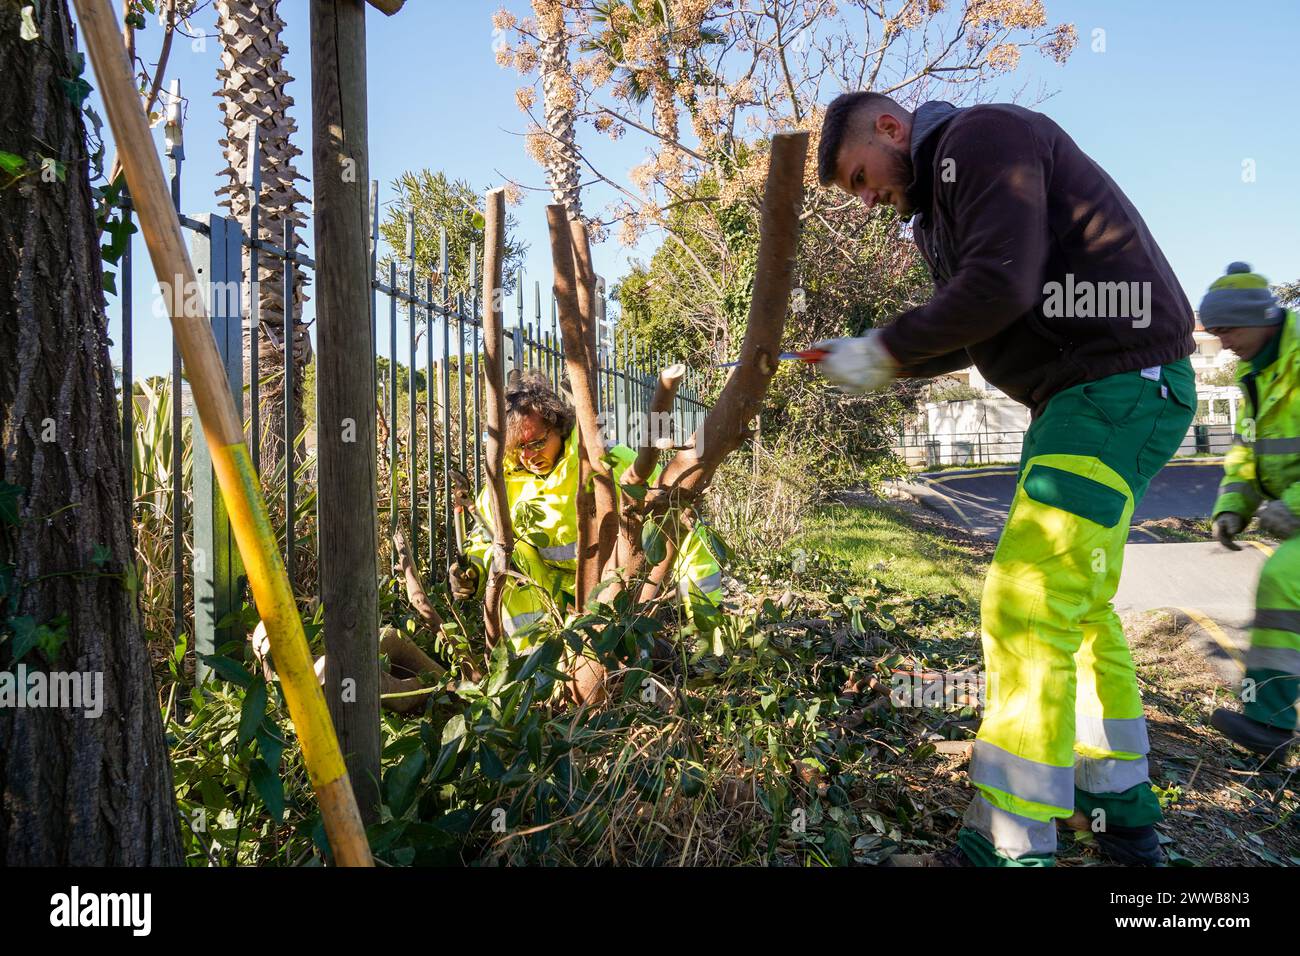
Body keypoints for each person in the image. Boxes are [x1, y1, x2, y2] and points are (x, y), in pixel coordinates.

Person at [814, 92, 1196, 866]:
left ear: (892, 129)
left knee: (1023, 603)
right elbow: (986, 313)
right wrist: (880, 355)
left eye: (860, 177)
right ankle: (1121, 817)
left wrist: (883, 349)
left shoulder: (982, 138)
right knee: (1075, 610)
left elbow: (1000, 287)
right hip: (1096, 394)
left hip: (1110, 388)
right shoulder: (940, 205)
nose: (865, 199)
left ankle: (1010, 843)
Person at [449, 370, 724, 649]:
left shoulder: (606, 462)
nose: (528, 456)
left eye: (537, 443)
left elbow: (674, 529)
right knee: (510, 561)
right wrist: (472, 570)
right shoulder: (505, 483)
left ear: (559, 426)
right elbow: (485, 540)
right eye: (519, 447)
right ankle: (537, 665)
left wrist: (707, 635)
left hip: (615, 586)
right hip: (554, 595)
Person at [1201, 263, 1300, 762]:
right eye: (1215, 332)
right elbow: (1247, 451)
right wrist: (1232, 508)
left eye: (1228, 329)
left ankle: (1268, 720)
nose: (1223, 341)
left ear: (1263, 318)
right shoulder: (1255, 373)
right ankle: (1268, 721)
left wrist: (1296, 506)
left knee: (1284, 576)